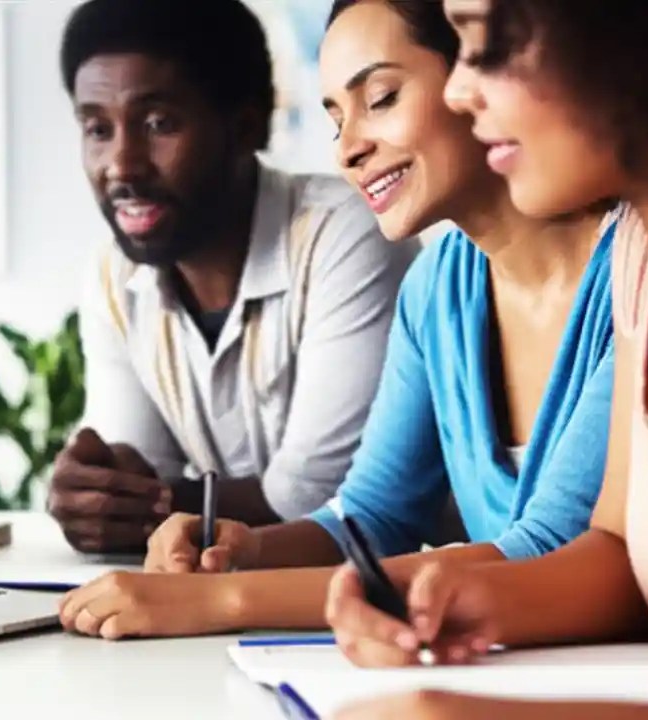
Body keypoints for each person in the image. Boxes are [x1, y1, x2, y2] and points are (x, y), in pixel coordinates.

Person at [57, 0, 622, 639]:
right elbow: (372, 514)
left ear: (477, 76)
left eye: (380, 98)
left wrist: (226, 601)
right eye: (336, 119)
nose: (348, 150)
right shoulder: (437, 290)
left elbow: (548, 551)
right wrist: (243, 553)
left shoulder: (634, 269)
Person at [324, 0, 648, 717]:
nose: (462, 91)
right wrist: (464, 597)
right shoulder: (645, 260)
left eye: (491, 44)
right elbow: (616, 549)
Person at [48, 0, 417, 554]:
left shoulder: (343, 233)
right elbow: (136, 475)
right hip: (236, 604)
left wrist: (142, 505)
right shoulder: (114, 275)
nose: (122, 165)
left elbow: (319, 498)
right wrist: (97, 497)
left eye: (157, 124)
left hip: (395, 596)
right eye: (97, 129)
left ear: (247, 123)